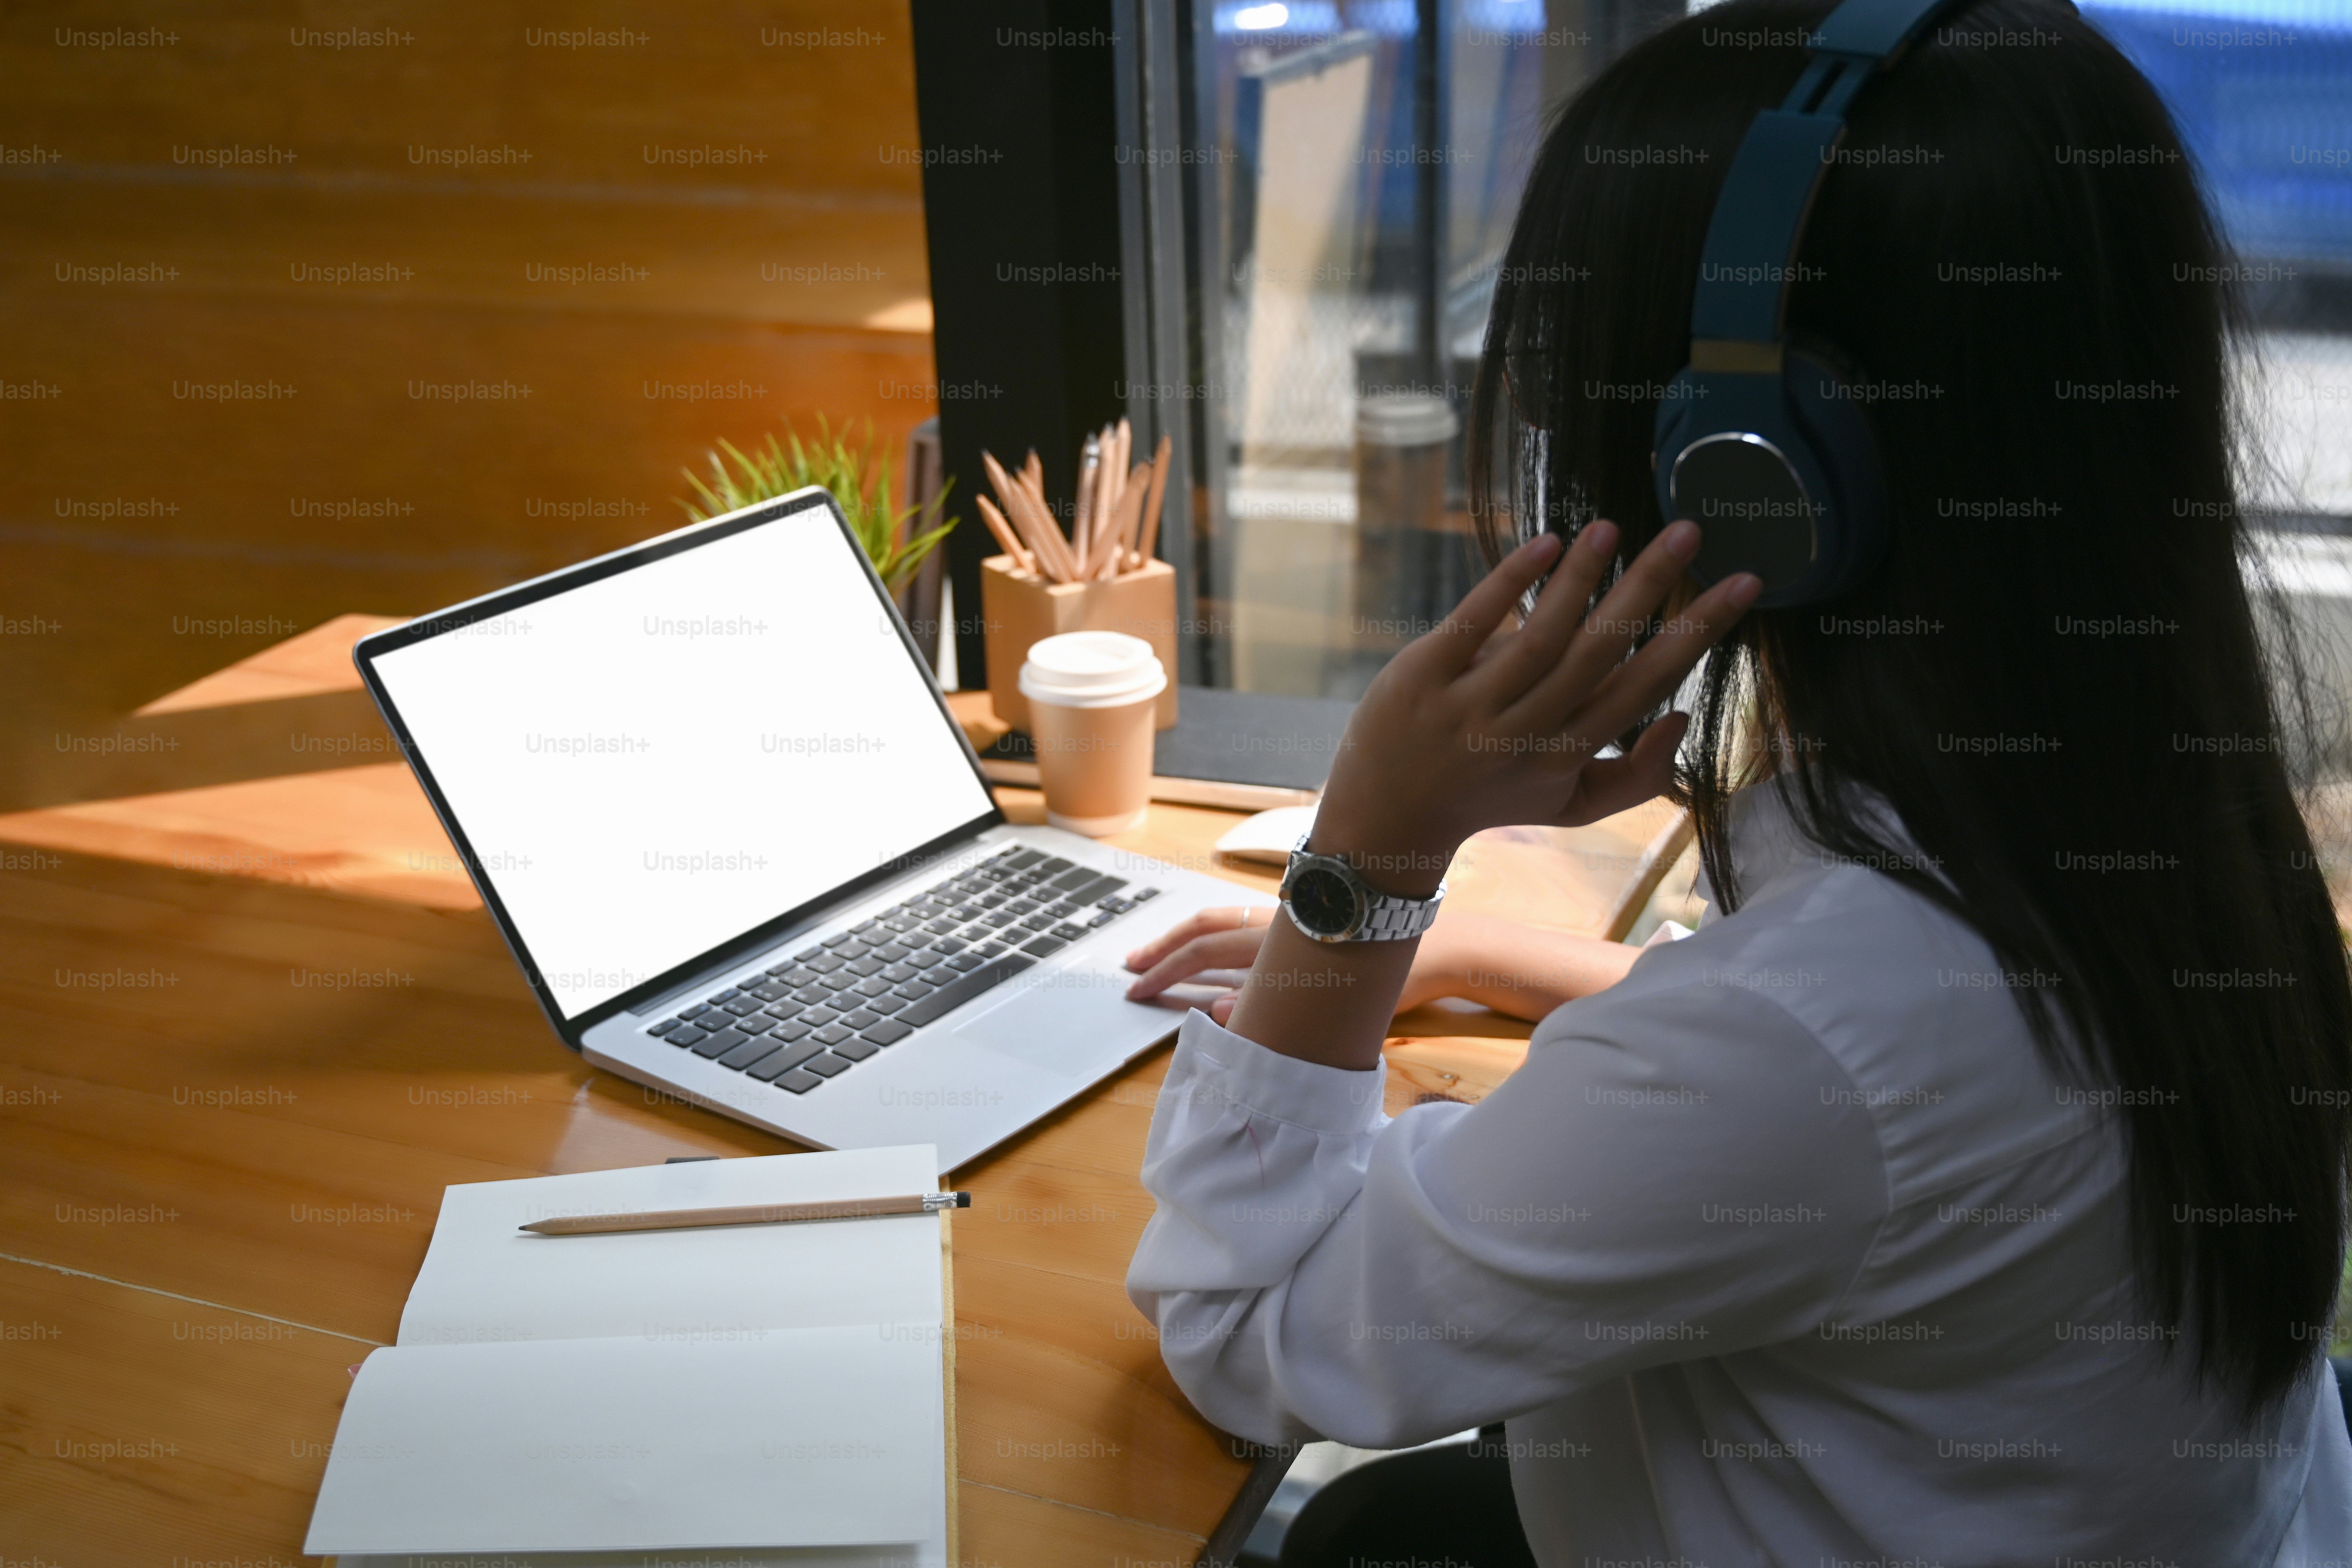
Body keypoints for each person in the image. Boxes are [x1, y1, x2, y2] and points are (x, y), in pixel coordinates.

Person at [1119, 0, 2352, 1561]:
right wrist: (1516, 961)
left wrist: (1371, 847)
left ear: (1749, 467)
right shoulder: (2157, 801)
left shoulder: (1793, 1048)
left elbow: (1244, 1332)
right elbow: (1890, 1077)